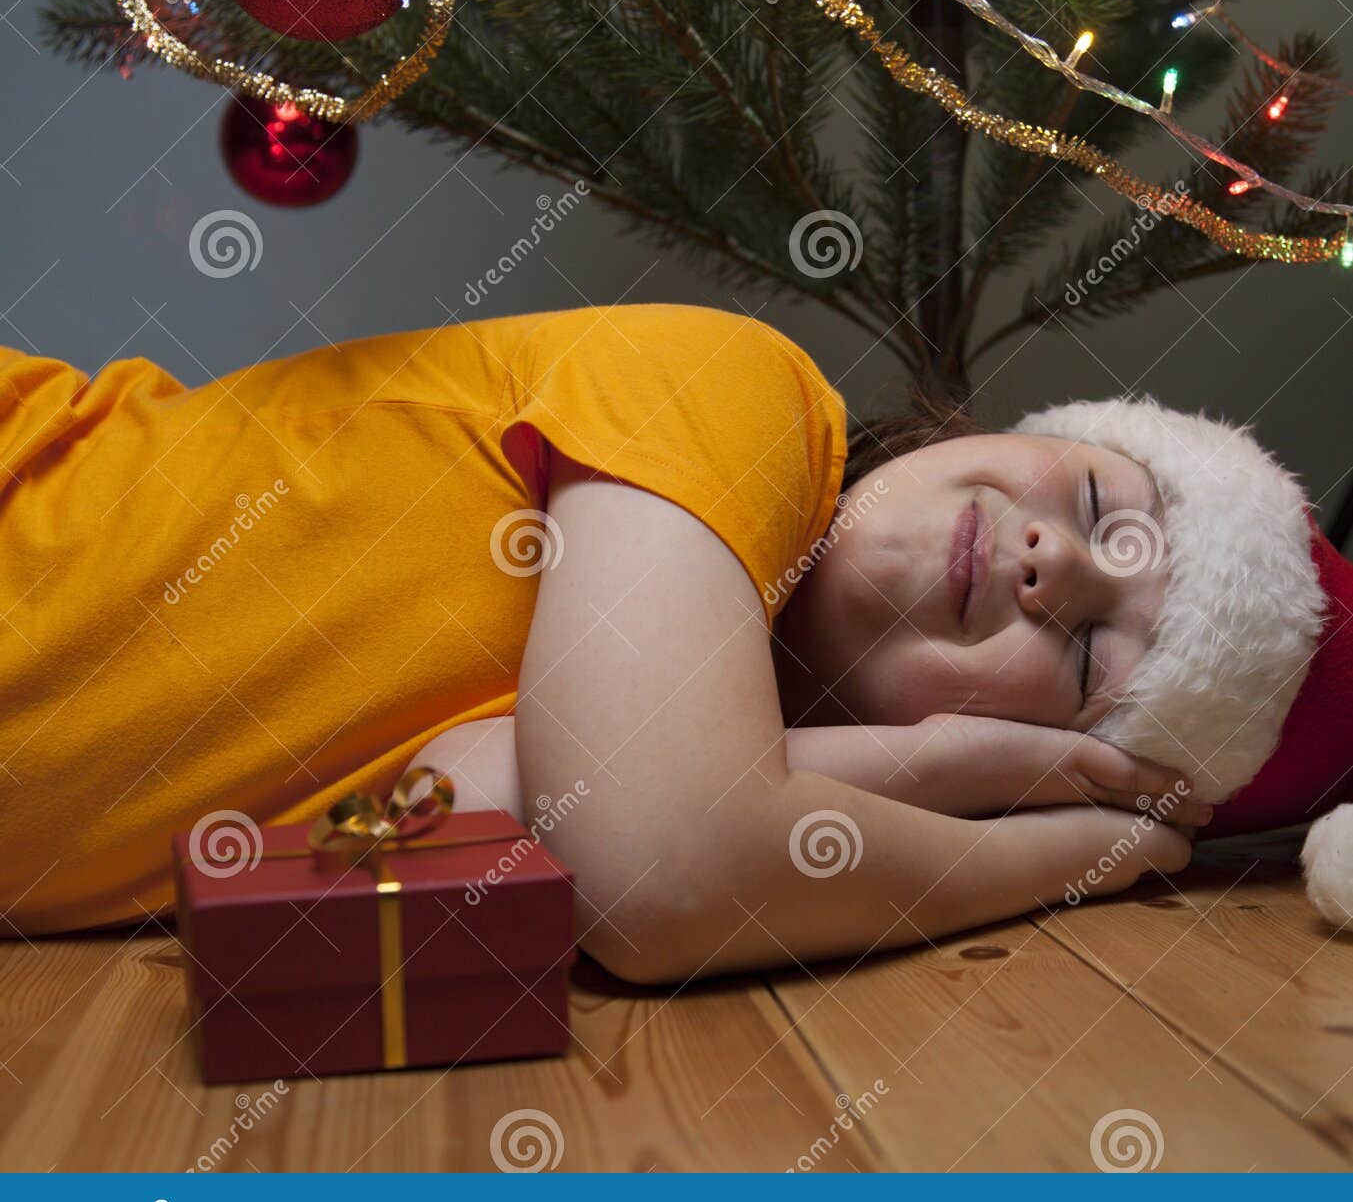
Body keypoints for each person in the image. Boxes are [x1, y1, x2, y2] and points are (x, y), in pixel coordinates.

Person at [0, 303, 1223, 963]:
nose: (1056, 563)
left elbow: (514, 815)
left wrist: (937, 780)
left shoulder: (612, 719)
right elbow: (670, 873)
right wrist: (1076, 844)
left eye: (1084, 656)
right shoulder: (748, 389)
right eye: (1104, 507)